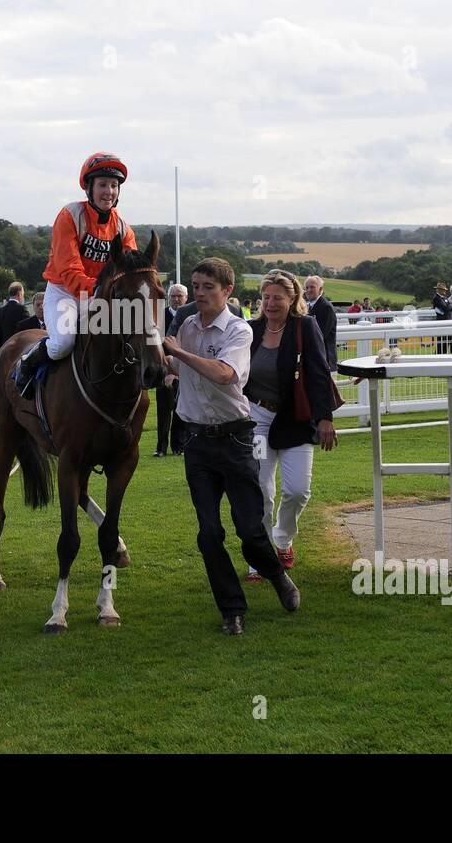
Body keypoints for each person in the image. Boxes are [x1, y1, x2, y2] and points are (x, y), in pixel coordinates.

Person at [161, 257, 299, 636]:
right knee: (209, 534)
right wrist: (159, 355)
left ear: (228, 292)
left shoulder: (239, 331)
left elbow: (225, 375)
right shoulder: (185, 327)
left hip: (237, 440)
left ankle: (277, 576)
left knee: (250, 531)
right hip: (197, 442)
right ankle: (232, 610)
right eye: (196, 286)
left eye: (208, 287)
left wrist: (179, 353)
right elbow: (170, 368)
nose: (200, 293)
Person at [14, 152, 137, 397]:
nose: (109, 192)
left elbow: (130, 269)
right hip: (63, 292)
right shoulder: (69, 215)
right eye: (103, 185)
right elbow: (69, 269)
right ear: (89, 188)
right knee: (62, 345)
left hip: (98, 295)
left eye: (114, 186)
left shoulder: (122, 227)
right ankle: (28, 361)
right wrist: (100, 290)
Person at [244, 271, 337, 579]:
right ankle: (260, 558)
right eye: (266, 297)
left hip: (295, 419)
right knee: (260, 488)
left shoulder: (304, 327)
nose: (270, 303)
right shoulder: (251, 329)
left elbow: (319, 373)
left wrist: (325, 417)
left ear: (293, 299)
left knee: (298, 490)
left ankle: (283, 538)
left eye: (277, 298)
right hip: (256, 419)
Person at [153, 283, 189, 457]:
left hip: (185, 370)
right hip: (165, 370)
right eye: (173, 296)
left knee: (180, 411)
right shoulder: (159, 316)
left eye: (179, 296)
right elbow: (157, 345)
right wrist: (169, 371)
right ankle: (160, 447)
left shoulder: (191, 316)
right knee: (163, 410)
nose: (176, 299)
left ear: (186, 298)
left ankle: (178, 446)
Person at [303, 276, 338, 370]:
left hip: (325, 359)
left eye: (312, 287)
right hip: (314, 358)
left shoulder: (326, 307)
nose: (309, 290)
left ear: (320, 289)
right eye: (307, 287)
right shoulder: (308, 306)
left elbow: (320, 334)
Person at [0, 281, 28, 351]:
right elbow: (27, 329)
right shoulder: (21, 309)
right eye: (23, 294)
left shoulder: (0, 311)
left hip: (4, 348)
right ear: (19, 294)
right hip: (18, 348)